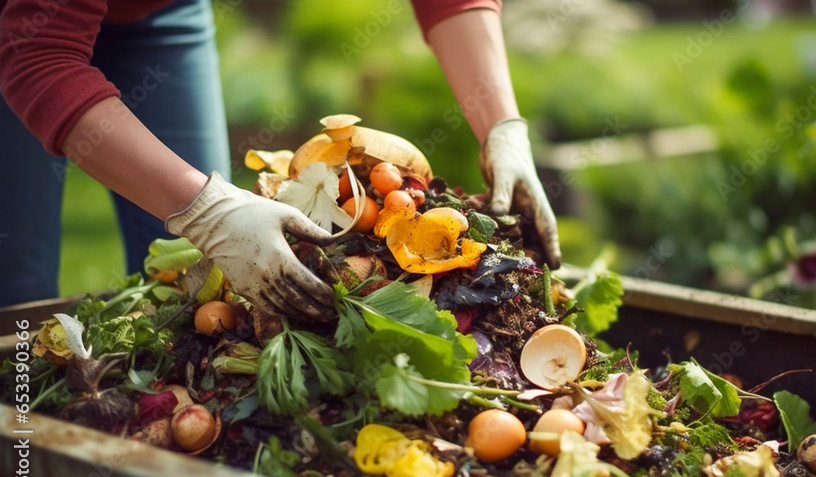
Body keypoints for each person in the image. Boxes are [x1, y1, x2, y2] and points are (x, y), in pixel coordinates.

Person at [0, 0, 561, 320]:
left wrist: (502, 129)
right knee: (18, 302)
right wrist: (207, 210)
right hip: (23, 29)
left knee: (197, 281)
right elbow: (39, 58)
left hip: (159, 11)